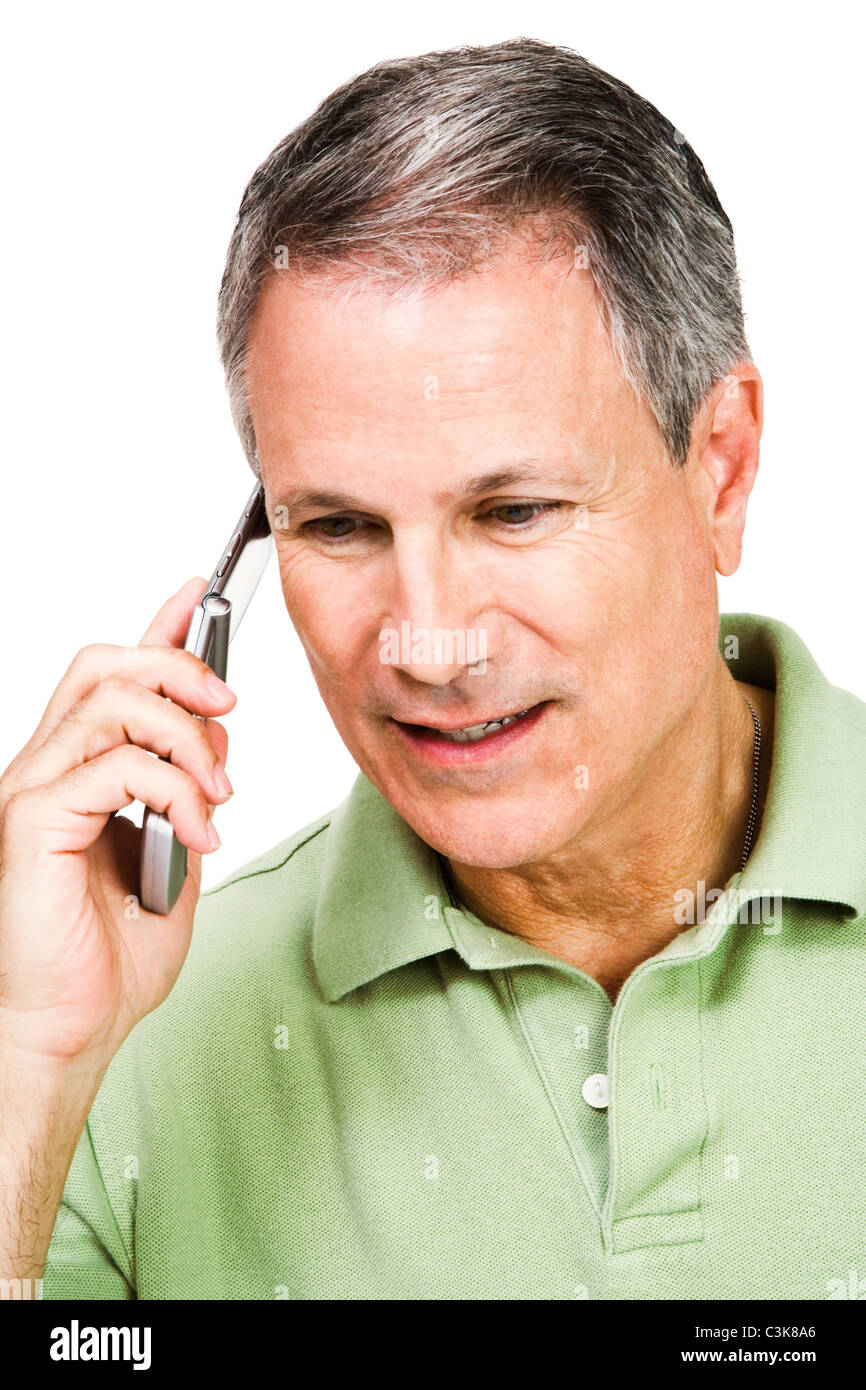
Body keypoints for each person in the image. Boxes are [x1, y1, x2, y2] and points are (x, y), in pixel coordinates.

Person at [2, 37, 864, 1302]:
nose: (426, 641)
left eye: (513, 510)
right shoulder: (115, 1030)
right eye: (340, 525)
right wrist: (30, 1069)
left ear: (720, 467)